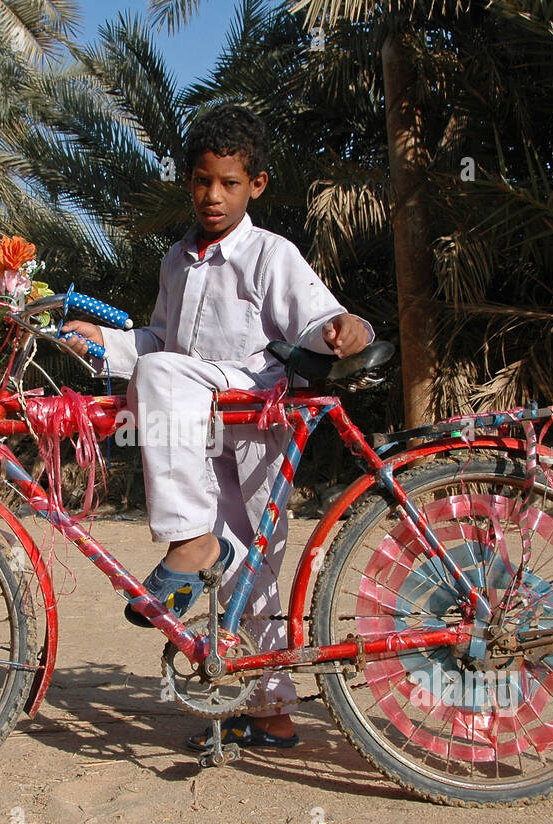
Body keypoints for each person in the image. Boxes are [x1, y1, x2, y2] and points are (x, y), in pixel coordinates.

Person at [61, 105, 371, 748]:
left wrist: (348, 330)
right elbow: (158, 340)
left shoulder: (269, 254)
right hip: (194, 421)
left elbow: (319, 319)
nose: (213, 196)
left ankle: (272, 709)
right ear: (188, 181)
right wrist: (105, 344)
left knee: (259, 561)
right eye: (202, 181)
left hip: (255, 413)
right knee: (227, 567)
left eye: (229, 183)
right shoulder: (177, 261)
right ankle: (233, 676)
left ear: (255, 184)